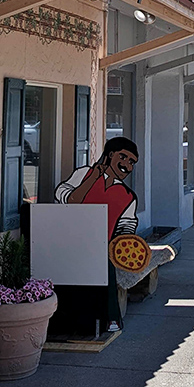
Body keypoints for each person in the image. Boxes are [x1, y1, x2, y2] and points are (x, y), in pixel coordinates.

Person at [54, 137, 139, 333]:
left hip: (102, 246)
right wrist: (92, 178)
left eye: (131, 162)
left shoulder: (128, 197)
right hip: (67, 240)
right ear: (110, 155)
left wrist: (122, 244)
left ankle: (111, 318)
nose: (126, 164)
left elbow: (127, 225)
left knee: (105, 268)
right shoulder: (83, 174)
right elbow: (66, 198)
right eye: (123, 157)